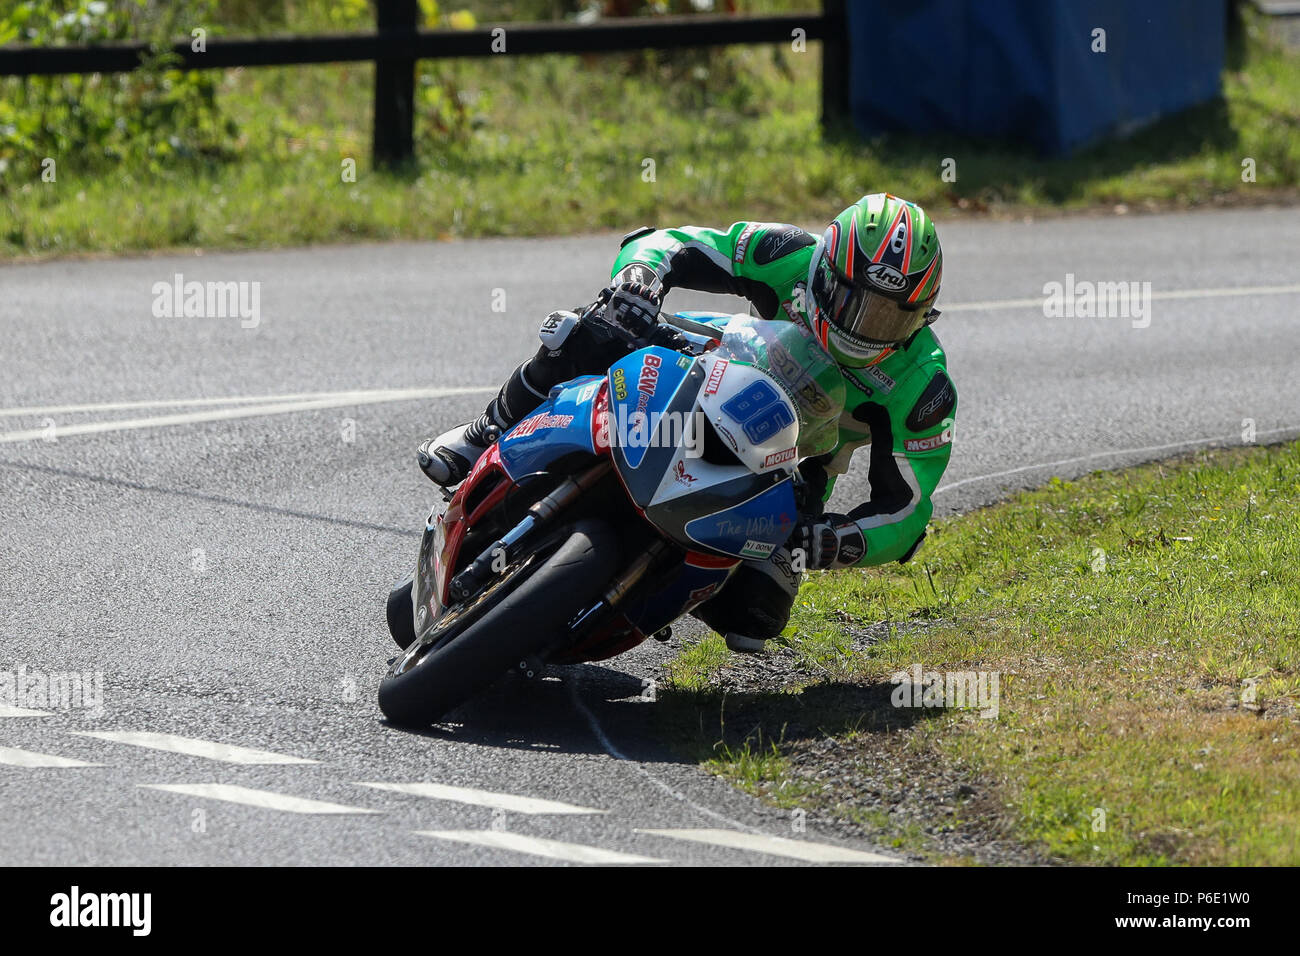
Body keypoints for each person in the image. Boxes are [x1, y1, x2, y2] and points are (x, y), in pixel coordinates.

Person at [418, 193, 956, 653]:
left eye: (890, 316)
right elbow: (674, 241)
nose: (863, 328)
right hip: (716, 361)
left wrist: (841, 538)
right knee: (593, 328)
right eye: (852, 301)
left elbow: (908, 509)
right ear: (823, 271)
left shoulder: (924, 385)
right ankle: (484, 432)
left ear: (922, 314)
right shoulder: (786, 252)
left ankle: (647, 587)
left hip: (799, 457)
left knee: (755, 615)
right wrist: (642, 276)